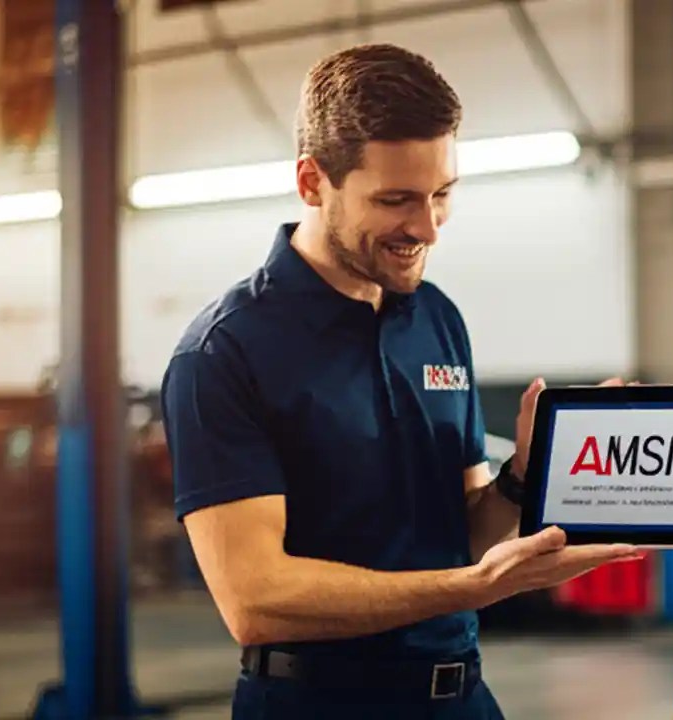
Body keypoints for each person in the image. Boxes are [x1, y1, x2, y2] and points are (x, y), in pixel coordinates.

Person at [160, 43, 638, 720]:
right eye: (396, 200)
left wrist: (523, 477)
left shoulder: (437, 319)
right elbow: (255, 601)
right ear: (311, 182)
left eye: (443, 194)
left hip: (460, 697)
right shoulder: (224, 353)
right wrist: (468, 589)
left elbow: (467, 535)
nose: (427, 227)